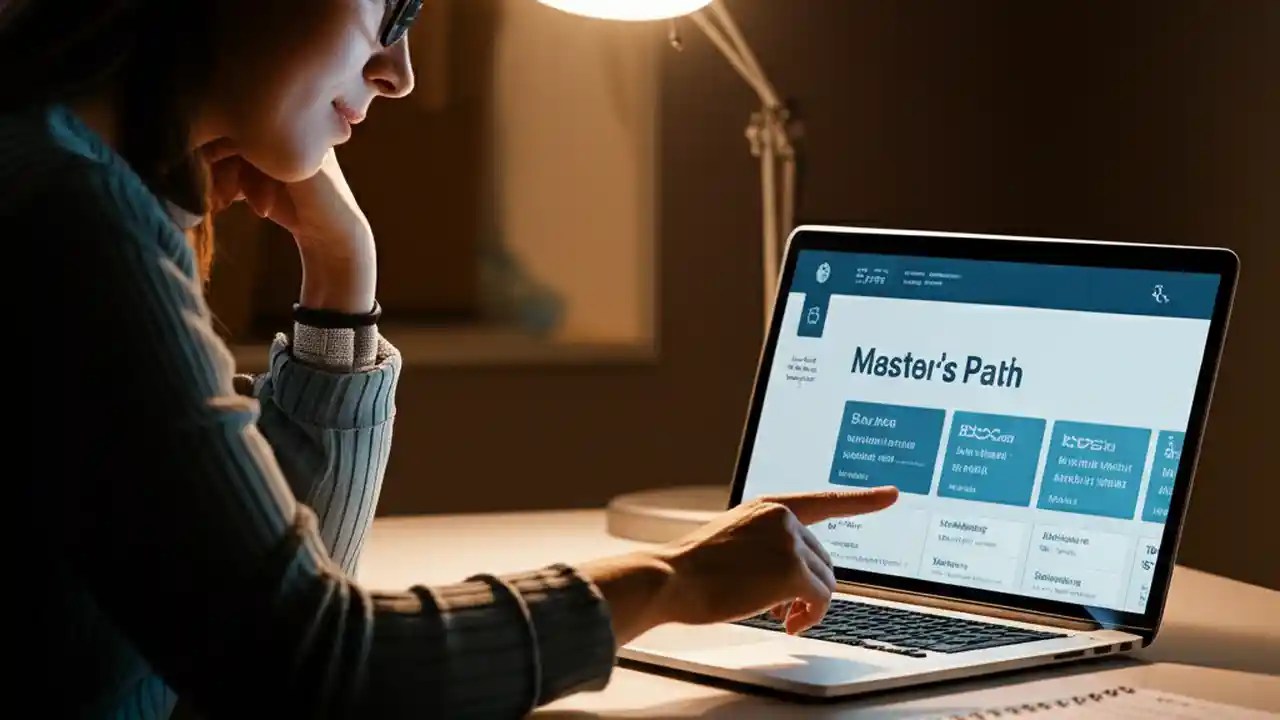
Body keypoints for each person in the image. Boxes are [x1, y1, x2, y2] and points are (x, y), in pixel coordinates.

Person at [4, 1, 900, 717]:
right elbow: (310, 666)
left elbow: (240, 611)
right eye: (391, 10)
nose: (399, 74)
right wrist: (675, 577)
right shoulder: (71, 220)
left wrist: (343, 272)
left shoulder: (56, 173)